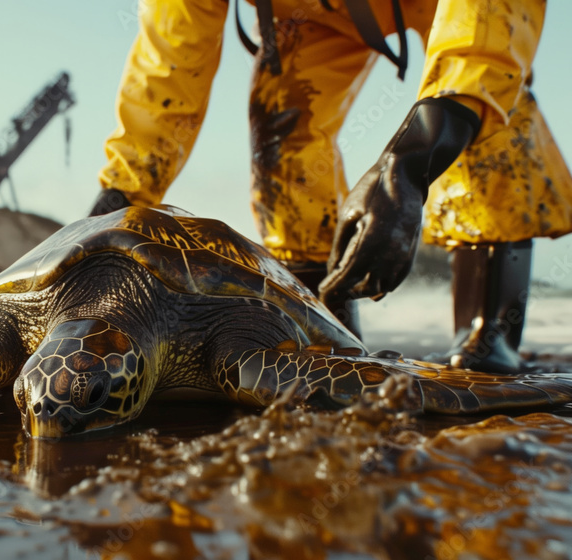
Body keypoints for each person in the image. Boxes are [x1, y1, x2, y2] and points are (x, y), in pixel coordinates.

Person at [87, 0, 572, 374]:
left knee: (489, 110)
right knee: (284, 123)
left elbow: (486, 25)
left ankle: (490, 336)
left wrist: (409, 164)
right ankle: (327, 335)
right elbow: (168, 63)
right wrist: (121, 193)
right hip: (312, 12)